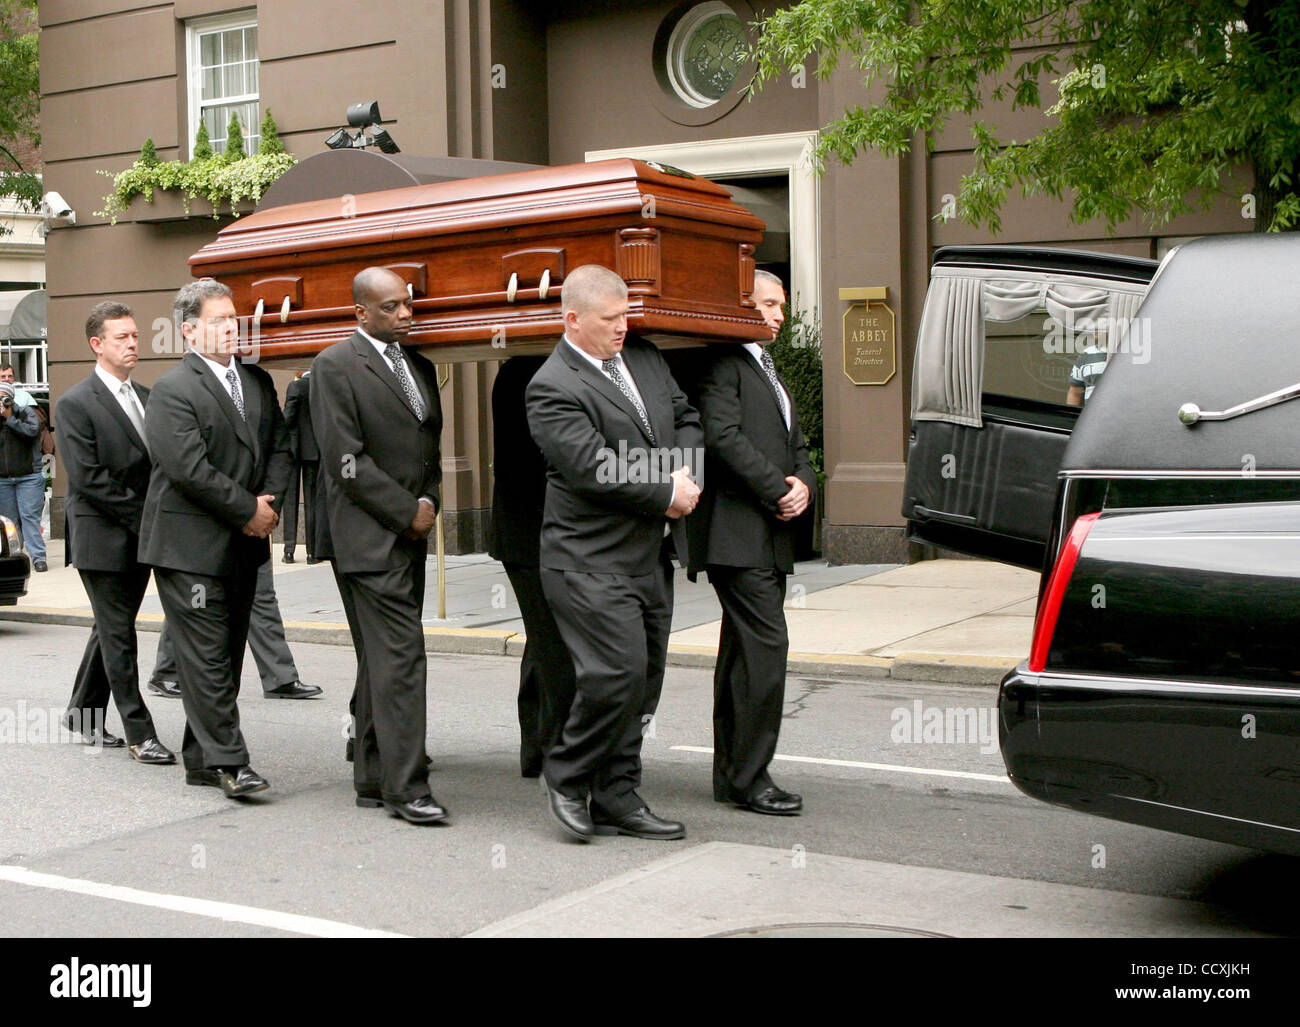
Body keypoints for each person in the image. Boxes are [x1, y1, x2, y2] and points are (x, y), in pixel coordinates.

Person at [526, 264, 702, 843]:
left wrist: (686, 473)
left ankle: (619, 795)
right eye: (611, 319)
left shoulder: (646, 357)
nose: (623, 326)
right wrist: (667, 491)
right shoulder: (552, 385)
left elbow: (686, 418)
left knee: (644, 681)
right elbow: (592, 467)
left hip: (648, 555)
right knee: (613, 677)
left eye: (626, 314)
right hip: (587, 562)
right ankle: (567, 773)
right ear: (573, 320)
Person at [137, 278, 292, 800]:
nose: (232, 327)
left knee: (224, 654)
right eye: (219, 319)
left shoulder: (257, 381)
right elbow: (187, 469)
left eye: (234, 317)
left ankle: (201, 758)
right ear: (188, 330)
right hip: (189, 546)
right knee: (204, 655)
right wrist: (247, 509)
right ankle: (231, 762)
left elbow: (279, 447)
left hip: (245, 541)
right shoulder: (172, 390)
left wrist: (268, 503)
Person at [311, 267, 446, 825]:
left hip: (410, 532)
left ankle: (372, 776)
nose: (406, 314)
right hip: (368, 539)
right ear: (361, 312)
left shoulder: (418, 365)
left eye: (407, 304)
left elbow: (427, 449)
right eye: (391, 307)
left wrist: (432, 500)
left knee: (381, 662)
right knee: (402, 660)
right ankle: (406, 788)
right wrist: (405, 511)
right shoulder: (335, 367)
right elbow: (346, 461)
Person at [687, 269, 814, 815]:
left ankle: (734, 774)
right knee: (766, 650)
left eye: (782, 306)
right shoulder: (722, 361)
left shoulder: (767, 366)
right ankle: (750, 777)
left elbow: (796, 441)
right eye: (769, 305)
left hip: (769, 534)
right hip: (736, 537)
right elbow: (721, 438)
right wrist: (776, 490)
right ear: (743, 306)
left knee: (743, 654)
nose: (780, 315)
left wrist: (805, 481)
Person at [55, 302, 174, 760]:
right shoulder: (75, 403)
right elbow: (89, 479)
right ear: (96, 344)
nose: (132, 344)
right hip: (102, 538)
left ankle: (81, 712)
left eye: (135, 336)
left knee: (110, 627)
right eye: (121, 337)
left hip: (143, 534)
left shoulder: (147, 396)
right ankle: (139, 732)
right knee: (119, 633)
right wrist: (147, 519)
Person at [488, 355, 576, 778]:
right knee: (554, 645)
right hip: (531, 533)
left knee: (544, 642)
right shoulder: (528, 372)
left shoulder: (529, 368)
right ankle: (557, 753)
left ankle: (537, 747)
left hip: (535, 533)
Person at [148, 564, 323, 700]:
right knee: (196, 600)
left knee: (261, 594)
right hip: (206, 530)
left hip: (251, 528)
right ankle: (167, 671)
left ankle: (280, 677)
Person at [0, 375, 46, 572]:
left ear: (11, 398)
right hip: (3, 479)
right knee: (10, 521)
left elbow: (32, 431)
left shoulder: (25, 412)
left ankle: (38, 557)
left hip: (29, 476)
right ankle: (17, 557)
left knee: (29, 517)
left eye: (4, 398)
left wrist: (9, 419)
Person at [281, 370, 321, 564]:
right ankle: (312, 553)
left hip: (292, 450)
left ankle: (289, 551)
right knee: (312, 502)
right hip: (313, 451)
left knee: (291, 501)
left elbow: (288, 417)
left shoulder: (295, 386)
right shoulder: (320, 387)